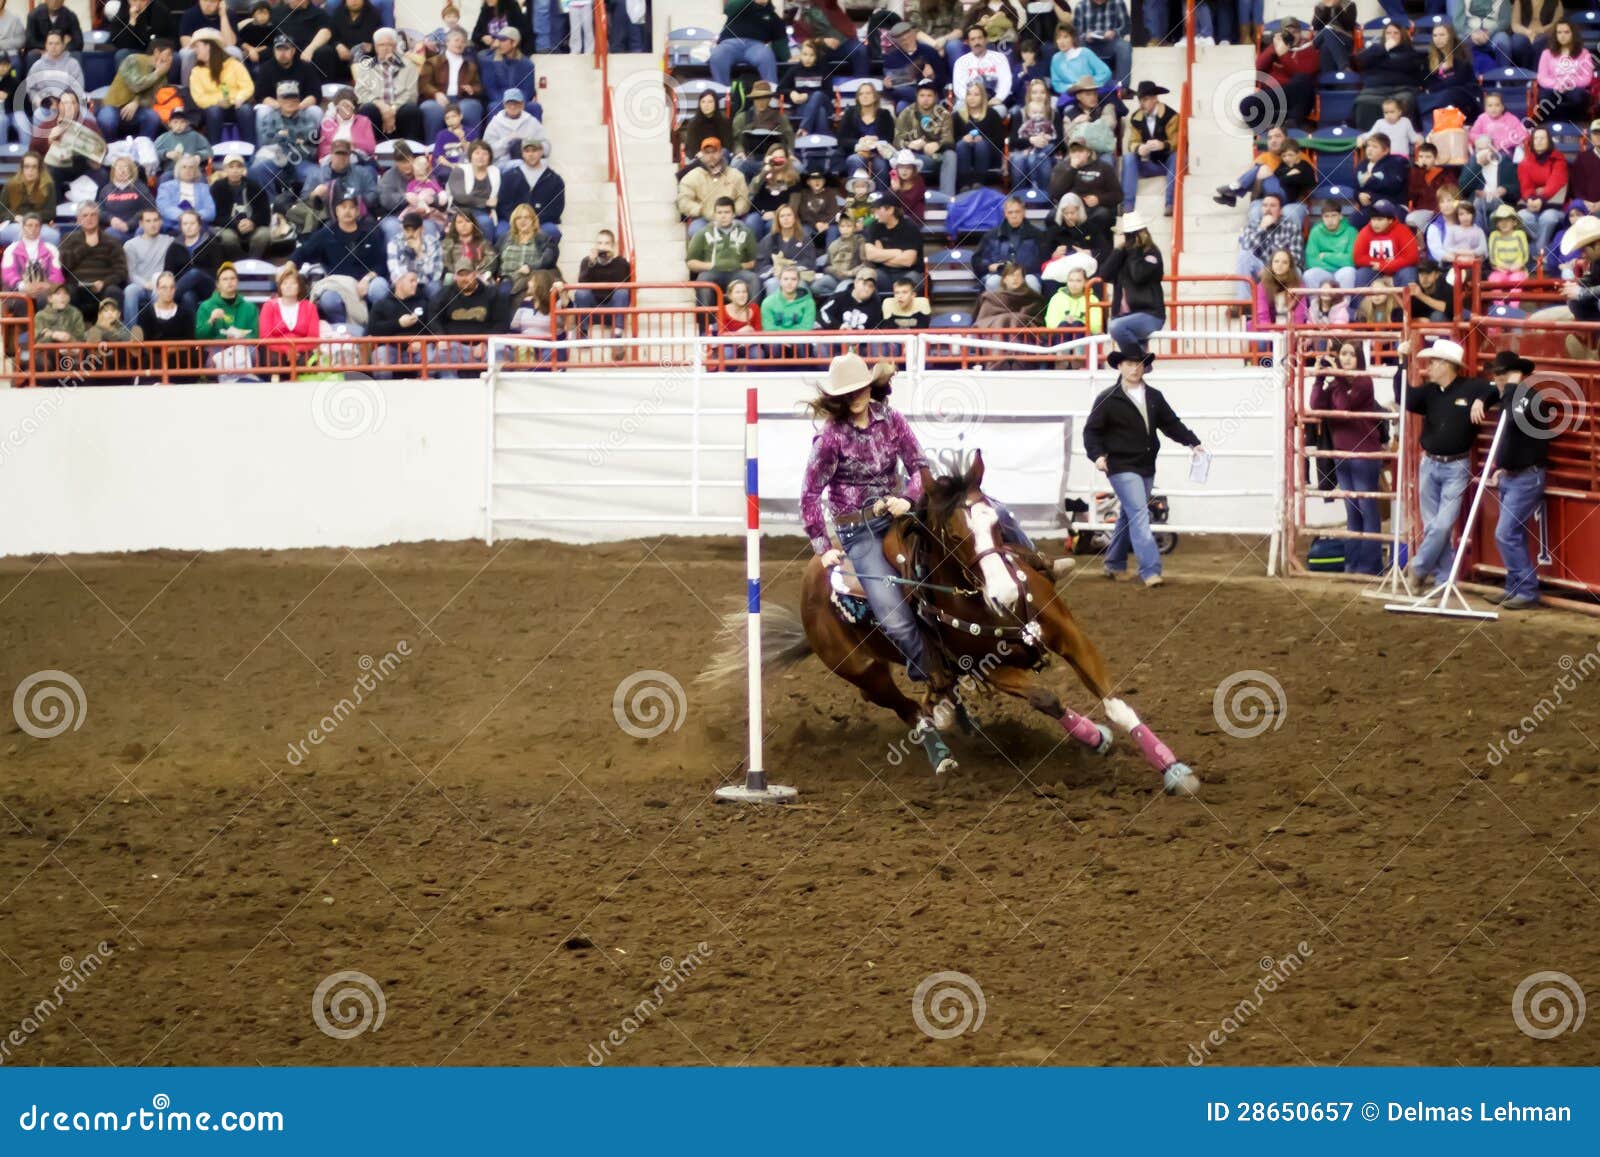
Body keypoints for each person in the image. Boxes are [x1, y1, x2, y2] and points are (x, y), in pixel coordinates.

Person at [800, 353, 938, 686]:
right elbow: (808, 495)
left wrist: (907, 499)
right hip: (860, 534)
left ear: (870, 386)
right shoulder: (829, 439)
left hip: (902, 516)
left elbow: (919, 466)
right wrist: (823, 546)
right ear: (837, 398)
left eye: (860, 388)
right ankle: (932, 675)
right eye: (848, 392)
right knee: (895, 617)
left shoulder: (891, 419)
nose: (856, 396)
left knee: (967, 540)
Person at [1083, 344, 1204, 587]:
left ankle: (1114, 563)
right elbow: (1091, 432)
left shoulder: (1154, 397)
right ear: (1120, 366)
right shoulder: (1107, 398)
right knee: (1139, 514)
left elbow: (1171, 424)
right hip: (1120, 466)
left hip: (1146, 465)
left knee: (1130, 514)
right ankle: (1150, 570)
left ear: (1144, 367)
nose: (1134, 368)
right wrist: (1097, 456)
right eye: (1129, 363)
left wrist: (1193, 442)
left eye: (1138, 364)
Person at [1400, 338, 1499, 594]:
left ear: (1446, 365)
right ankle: (1444, 579)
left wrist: (1482, 400)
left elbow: (1495, 388)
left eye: (1433, 362)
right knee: (1436, 526)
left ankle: (1419, 567)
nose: (1429, 367)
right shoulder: (1430, 392)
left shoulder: (1472, 387)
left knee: (1441, 525)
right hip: (1431, 463)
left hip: (1455, 466)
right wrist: (1402, 363)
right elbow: (1406, 398)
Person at [1308, 339, 1385, 576]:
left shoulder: (1363, 381)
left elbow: (1343, 407)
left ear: (1359, 358)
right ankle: (1353, 565)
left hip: (1364, 455)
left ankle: (1369, 567)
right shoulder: (1337, 385)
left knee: (1366, 509)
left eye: (1351, 354)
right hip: (1343, 455)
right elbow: (1316, 405)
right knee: (1354, 512)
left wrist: (1337, 377)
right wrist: (1320, 377)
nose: (1347, 358)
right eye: (1343, 354)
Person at [1485, 350, 1547, 609]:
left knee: (1506, 533)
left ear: (1514, 375)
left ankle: (1528, 589)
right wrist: (1502, 467)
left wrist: (1511, 386)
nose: (1495, 379)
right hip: (1515, 474)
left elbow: (1512, 416)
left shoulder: (1530, 399)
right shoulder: (1515, 397)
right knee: (1512, 534)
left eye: (1500, 374)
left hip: (1527, 476)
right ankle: (1516, 587)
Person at [290, 188, 390, 329]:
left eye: (351, 207)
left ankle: (376, 328)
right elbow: (302, 252)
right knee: (328, 298)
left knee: (380, 287)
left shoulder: (371, 231)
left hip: (367, 282)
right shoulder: (326, 234)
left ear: (357, 211)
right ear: (337, 211)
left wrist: (367, 279)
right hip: (340, 285)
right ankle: (345, 331)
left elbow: (382, 263)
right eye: (343, 207)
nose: (347, 211)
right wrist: (289, 265)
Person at [426, 259, 510, 375]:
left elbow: (501, 323)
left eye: (467, 274)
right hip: (454, 346)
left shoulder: (492, 294)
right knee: (440, 355)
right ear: (455, 276)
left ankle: (495, 388)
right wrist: (441, 337)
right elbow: (433, 317)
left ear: (475, 274)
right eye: (460, 275)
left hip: (484, 347)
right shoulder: (445, 293)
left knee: (500, 351)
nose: (464, 279)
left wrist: (485, 342)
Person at [1100, 211, 1165, 347]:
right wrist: (1119, 251)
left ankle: (1136, 359)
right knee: (1134, 362)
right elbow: (1105, 275)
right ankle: (1140, 364)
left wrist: (1135, 252)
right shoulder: (1124, 253)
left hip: (1148, 314)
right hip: (1123, 315)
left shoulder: (1152, 253)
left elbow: (1138, 275)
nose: (1128, 239)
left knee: (1116, 327)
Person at [686, 196, 759, 307]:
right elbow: (691, 262)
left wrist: (738, 265)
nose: (723, 216)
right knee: (703, 280)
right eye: (719, 212)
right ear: (714, 214)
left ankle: (751, 318)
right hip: (712, 272)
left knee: (754, 279)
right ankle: (706, 323)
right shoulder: (703, 233)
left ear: (733, 214)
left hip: (737, 272)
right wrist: (711, 265)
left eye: (727, 212)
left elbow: (754, 261)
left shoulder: (746, 232)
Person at [188, 27, 256, 144]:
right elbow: (199, 98)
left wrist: (239, 98)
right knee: (214, 111)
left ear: (208, 46)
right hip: (212, 110)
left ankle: (250, 150)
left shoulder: (233, 64)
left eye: (197, 46)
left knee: (245, 109)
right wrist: (219, 101)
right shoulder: (196, 72)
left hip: (236, 106)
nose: (195, 50)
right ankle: (213, 153)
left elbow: (247, 86)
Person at [892, 78, 957, 198]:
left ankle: (946, 199)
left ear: (935, 97)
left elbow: (949, 140)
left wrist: (938, 145)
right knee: (900, 157)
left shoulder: (943, 114)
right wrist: (909, 144)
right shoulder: (906, 113)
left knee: (951, 155)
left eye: (929, 95)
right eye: (922, 95)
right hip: (913, 158)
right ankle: (903, 197)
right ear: (916, 96)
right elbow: (896, 141)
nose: (925, 99)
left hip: (935, 158)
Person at [1120, 81, 1176, 218]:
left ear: (1155, 98)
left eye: (1145, 99)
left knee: (1176, 156)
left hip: (1168, 163)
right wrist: (1139, 148)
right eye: (1140, 100)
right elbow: (1132, 142)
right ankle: (1127, 205)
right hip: (1150, 164)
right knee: (1129, 158)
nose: (1141, 104)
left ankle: (1170, 203)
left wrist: (1164, 145)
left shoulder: (1171, 115)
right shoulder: (1136, 117)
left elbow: (1178, 141)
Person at [100, 38, 174, 142]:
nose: (171, 59)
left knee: (153, 117)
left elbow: (153, 99)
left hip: (138, 110)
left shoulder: (163, 76)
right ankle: (111, 151)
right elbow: (136, 85)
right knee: (107, 120)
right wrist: (157, 73)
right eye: (169, 54)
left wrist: (136, 102)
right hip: (114, 106)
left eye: (172, 55)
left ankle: (143, 149)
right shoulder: (133, 60)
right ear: (157, 52)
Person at [354, 30, 422, 142]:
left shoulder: (408, 65)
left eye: (389, 44)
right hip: (376, 110)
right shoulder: (365, 66)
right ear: (375, 47)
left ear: (395, 47)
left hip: (400, 110)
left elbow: (411, 94)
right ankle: (369, 151)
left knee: (411, 109)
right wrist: (382, 106)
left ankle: (411, 151)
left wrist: (392, 110)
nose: (385, 48)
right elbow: (361, 92)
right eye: (381, 45)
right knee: (368, 109)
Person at [59, 202, 127, 315]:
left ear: (98, 217)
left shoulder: (111, 241)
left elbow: (121, 271)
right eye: (85, 215)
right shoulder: (69, 239)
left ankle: (113, 330)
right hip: (77, 286)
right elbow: (64, 265)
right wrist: (84, 247)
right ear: (78, 219)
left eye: (93, 215)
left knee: (114, 291)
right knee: (68, 291)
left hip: (103, 286)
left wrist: (104, 283)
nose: (89, 218)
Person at [420, 27, 485, 141]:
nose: (460, 44)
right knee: (431, 109)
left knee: (471, 108)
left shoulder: (470, 65)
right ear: (447, 42)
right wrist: (436, 94)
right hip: (438, 99)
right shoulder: (432, 62)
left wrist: (472, 89)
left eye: (463, 41)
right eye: (456, 40)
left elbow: (479, 86)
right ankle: (432, 149)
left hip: (462, 99)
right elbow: (423, 84)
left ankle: (472, 148)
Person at [973, 194, 1048, 292]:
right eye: (1010, 212)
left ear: (1023, 212)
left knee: (1032, 282)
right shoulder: (991, 235)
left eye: (1017, 211)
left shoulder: (1037, 234)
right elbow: (977, 260)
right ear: (1005, 214)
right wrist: (989, 266)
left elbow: (1043, 259)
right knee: (993, 282)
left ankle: (1030, 308)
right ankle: (996, 308)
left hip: (1028, 274)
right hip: (999, 275)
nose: (1014, 215)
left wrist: (1021, 272)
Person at [677, 138, 749, 239]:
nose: (711, 156)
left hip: (732, 219)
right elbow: (684, 201)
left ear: (721, 153)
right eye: (707, 153)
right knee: (696, 229)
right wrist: (701, 210)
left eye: (714, 152)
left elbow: (744, 199)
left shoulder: (736, 175)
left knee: (745, 229)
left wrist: (729, 213)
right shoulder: (691, 177)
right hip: (703, 219)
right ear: (701, 154)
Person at [1516, 126, 1568, 261]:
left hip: (1555, 206)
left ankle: (1536, 253)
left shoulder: (1558, 159)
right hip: (1533, 204)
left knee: (1548, 218)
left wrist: (1541, 197)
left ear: (1549, 141)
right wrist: (1530, 199)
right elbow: (1526, 186)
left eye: (1542, 138)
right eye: (1535, 138)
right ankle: (1545, 250)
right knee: (1522, 216)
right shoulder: (1525, 163)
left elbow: (1555, 182)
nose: (1538, 141)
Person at [573, 228, 632, 341]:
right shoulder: (587, 261)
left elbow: (621, 283)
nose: (603, 247)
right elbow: (582, 284)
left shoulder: (621, 262)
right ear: (595, 245)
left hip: (613, 309)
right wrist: (592, 263)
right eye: (599, 243)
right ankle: (583, 332)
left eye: (606, 243)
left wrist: (613, 259)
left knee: (622, 292)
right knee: (581, 293)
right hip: (592, 309)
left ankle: (617, 334)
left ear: (613, 245)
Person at [710, 0, 785, 88]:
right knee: (718, 55)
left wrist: (788, 58)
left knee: (767, 55)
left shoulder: (772, 16)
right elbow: (728, 9)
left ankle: (771, 95)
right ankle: (722, 95)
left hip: (756, 47)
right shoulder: (740, 7)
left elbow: (780, 41)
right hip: (729, 44)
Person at [258, 263, 320, 367]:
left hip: (302, 351)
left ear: (299, 287)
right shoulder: (269, 306)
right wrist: (287, 349)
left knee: (306, 361)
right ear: (280, 287)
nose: (288, 286)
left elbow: (313, 337)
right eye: (284, 283)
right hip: (275, 351)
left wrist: (295, 349)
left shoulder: (310, 307)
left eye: (293, 283)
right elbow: (265, 336)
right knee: (273, 360)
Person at [1535, 18, 1592, 125]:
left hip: (1575, 88)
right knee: (1544, 98)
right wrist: (1557, 84)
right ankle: (1551, 127)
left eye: (1566, 32)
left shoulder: (1584, 53)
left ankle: (1573, 127)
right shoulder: (1547, 53)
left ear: (1573, 34)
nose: (1562, 35)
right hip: (1553, 88)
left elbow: (1587, 78)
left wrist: (1569, 82)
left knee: (1578, 96)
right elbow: (1542, 77)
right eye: (1559, 32)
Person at [861, 195, 924, 291]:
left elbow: (908, 261)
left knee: (910, 282)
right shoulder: (874, 226)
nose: (875, 212)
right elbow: (870, 255)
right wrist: (897, 252)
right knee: (868, 279)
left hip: (908, 272)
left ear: (890, 210)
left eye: (879, 209)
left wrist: (880, 254)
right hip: (883, 273)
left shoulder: (909, 227)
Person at [214, 154, 272, 259]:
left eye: (238, 166)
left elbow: (265, 214)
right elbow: (216, 216)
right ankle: (239, 263)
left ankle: (253, 261)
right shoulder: (217, 188)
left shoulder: (254, 186)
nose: (235, 170)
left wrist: (253, 222)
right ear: (225, 170)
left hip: (253, 227)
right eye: (231, 167)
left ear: (243, 169)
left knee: (264, 234)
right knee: (228, 238)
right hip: (229, 227)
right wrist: (236, 224)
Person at [496, 202, 557, 299]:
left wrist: (531, 267)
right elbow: (496, 258)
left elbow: (549, 259)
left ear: (533, 220)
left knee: (522, 295)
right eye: (519, 218)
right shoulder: (505, 237)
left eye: (526, 217)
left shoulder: (543, 237)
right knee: (502, 293)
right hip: (508, 278)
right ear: (514, 221)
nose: (522, 221)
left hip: (531, 277)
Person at [1353, 201, 1419, 288]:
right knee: (1361, 274)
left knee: (1408, 272)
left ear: (1390, 220)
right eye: (1373, 219)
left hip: (1398, 270)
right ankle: (1360, 302)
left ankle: (1407, 302)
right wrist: (1381, 264)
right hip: (1374, 271)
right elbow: (1358, 258)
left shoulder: (1403, 231)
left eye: (1380, 220)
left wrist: (1384, 266)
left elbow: (1411, 257)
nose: (1375, 223)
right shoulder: (1365, 232)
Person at [123, 208, 173, 322]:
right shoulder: (130, 245)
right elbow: (131, 273)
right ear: (141, 224)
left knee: (162, 290)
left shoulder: (169, 241)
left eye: (155, 220)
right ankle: (131, 334)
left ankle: (160, 334)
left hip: (160, 284)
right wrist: (145, 284)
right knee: (130, 291)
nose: (152, 224)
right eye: (148, 221)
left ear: (160, 222)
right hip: (140, 285)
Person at [953, 80, 1006, 190]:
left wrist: (983, 139)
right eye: (969, 94)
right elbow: (951, 140)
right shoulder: (957, 115)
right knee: (961, 144)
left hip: (989, 154)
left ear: (983, 97)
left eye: (976, 94)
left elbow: (999, 141)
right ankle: (964, 185)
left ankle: (979, 183)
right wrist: (963, 138)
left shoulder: (992, 114)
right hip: (964, 153)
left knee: (981, 144)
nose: (972, 98)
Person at [196, 263, 260, 343]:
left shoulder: (250, 307)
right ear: (217, 284)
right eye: (225, 279)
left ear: (237, 282)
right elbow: (199, 337)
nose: (229, 282)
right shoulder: (206, 306)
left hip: (244, 349)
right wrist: (211, 320)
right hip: (217, 350)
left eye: (232, 278)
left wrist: (242, 338)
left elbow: (256, 335)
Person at [952, 24, 1013, 109]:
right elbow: (959, 88)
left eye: (979, 38)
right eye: (973, 39)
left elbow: (1005, 82)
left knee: (1000, 110)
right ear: (968, 42)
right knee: (957, 109)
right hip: (970, 101)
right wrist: (973, 100)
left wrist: (998, 98)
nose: (977, 42)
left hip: (994, 101)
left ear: (986, 39)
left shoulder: (1000, 58)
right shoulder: (961, 62)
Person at [1073, 0, 1132, 87]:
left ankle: (1122, 87)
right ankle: (1080, 85)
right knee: (1077, 46)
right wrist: (1086, 36)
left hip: (1111, 43)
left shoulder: (1118, 3)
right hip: (1089, 45)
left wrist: (1114, 32)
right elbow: (1076, 32)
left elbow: (1127, 26)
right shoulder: (1081, 6)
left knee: (1124, 47)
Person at [1303, 201, 1358, 290]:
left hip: (1343, 271)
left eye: (1333, 215)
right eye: (1326, 216)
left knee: (1349, 272)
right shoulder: (1315, 232)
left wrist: (1325, 256)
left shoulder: (1351, 231)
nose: (1330, 220)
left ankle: (1344, 304)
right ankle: (1316, 303)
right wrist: (1339, 260)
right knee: (1309, 274)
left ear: (1340, 216)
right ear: (1322, 218)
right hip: (1323, 271)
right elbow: (1311, 261)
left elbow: (1351, 261)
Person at [483, 88, 549, 163]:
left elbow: (546, 148)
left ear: (522, 104)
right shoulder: (495, 123)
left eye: (516, 103)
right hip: (503, 164)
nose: (513, 107)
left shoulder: (532, 121)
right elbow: (487, 151)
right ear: (504, 105)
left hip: (530, 162)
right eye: (509, 103)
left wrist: (529, 144)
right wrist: (507, 140)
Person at [136, 270, 196, 346]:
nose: (168, 291)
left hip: (180, 356)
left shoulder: (186, 314)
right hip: (153, 357)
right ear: (157, 289)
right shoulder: (145, 314)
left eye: (172, 287)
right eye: (164, 287)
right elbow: (142, 346)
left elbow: (191, 343)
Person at [157, 154, 217, 229]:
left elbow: (210, 212)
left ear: (196, 171)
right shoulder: (165, 187)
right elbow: (165, 208)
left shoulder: (204, 188)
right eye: (184, 167)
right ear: (178, 170)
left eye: (191, 167)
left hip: (197, 227)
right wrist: (184, 216)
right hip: (172, 226)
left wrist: (194, 217)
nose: (188, 170)